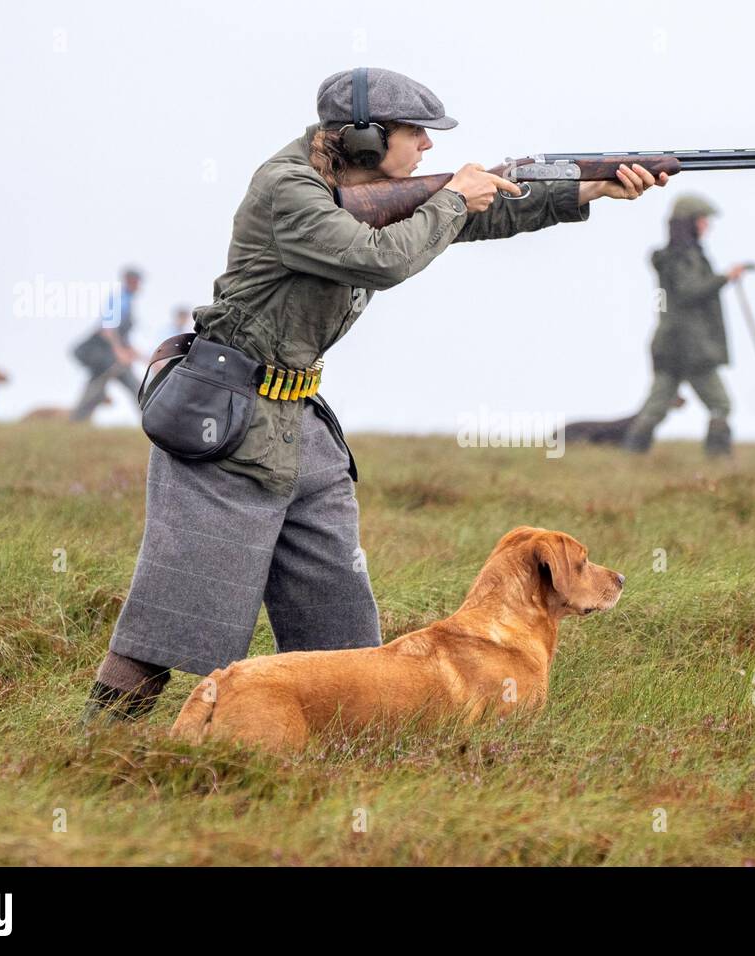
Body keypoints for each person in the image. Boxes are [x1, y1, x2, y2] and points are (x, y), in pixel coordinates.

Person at [81, 67, 669, 723]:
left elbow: (470, 215)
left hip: (301, 422)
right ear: (364, 137)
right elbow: (378, 259)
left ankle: (347, 774)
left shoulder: (372, 184)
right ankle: (95, 755)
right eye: (415, 134)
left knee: (345, 629)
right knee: (174, 617)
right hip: (229, 423)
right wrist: (453, 198)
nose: (427, 147)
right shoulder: (289, 189)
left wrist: (580, 189)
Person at [622, 194, 750, 456]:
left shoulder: (674, 257)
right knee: (720, 404)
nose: (707, 226)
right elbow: (689, 291)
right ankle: (718, 460)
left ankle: (631, 454)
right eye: (703, 220)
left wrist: (722, 278)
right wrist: (724, 277)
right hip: (691, 346)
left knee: (656, 407)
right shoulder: (685, 257)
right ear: (690, 223)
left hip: (669, 342)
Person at [70, 267, 148, 421]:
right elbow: (108, 328)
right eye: (137, 282)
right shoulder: (120, 300)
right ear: (130, 281)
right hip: (106, 356)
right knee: (101, 388)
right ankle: (75, 421)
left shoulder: (128, 301)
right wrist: (119, 351)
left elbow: (124, 338)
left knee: (101, 388)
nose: (139, 286)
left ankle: (76, 421)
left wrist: (146, 358)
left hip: (112, 356)